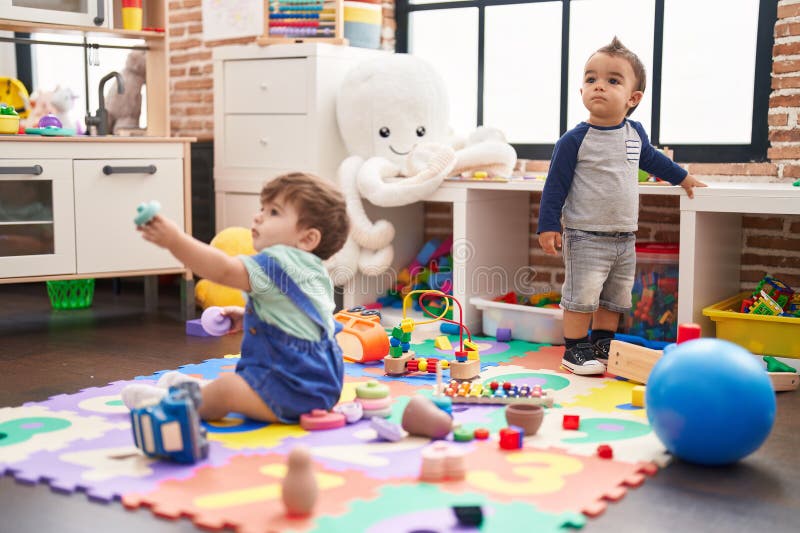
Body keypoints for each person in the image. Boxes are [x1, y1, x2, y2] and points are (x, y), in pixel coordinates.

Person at [122, 172, 350, 422]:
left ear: (308, 238)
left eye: (273, 212)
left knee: (228, 389)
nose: (258, 216)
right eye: (262, 208)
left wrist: (175, 240)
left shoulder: (276, 263)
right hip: (319, 385)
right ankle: (197, 392)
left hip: (292, 387)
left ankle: (169, 404)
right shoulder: (313, 270)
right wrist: (251, 316)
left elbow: (222, 270)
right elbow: (304, 321)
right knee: (233, 383)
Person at [537, 37, 706, 375]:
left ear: (633, 98)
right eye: (591, 79)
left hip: (625, 236)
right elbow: (554, 185)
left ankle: (603, 343)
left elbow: (654, 161)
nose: (599, 86)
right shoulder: (573, 140)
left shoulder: (634, 133)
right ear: (582, 89)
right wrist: (549, 226)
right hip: (586, 235)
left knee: (616, 296)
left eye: (612, 80)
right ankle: (574, 350)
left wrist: (683, 178)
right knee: (581, 295)